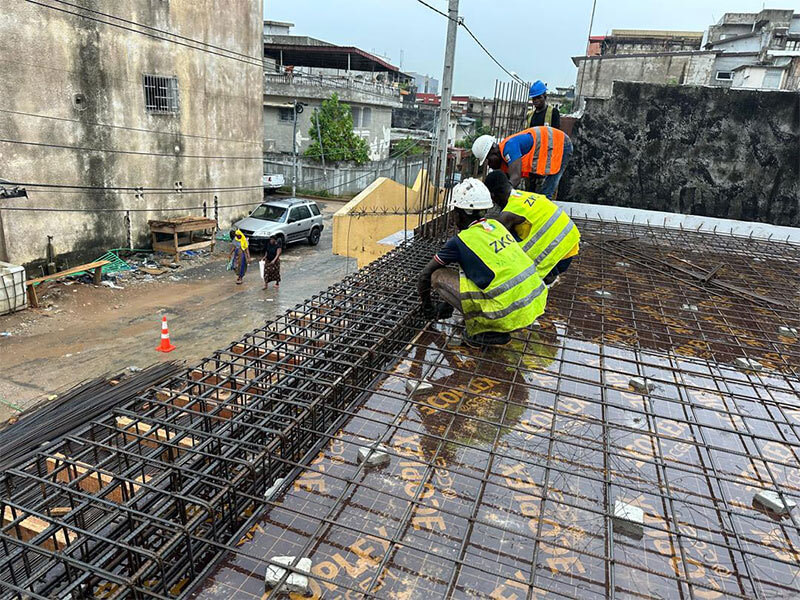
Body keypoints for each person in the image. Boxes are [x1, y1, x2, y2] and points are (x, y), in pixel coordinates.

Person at [417, 178, 548, 348]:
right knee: (471, 270)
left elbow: (425, 275)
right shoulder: (497, 226)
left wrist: (428, 308)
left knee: (438, 275)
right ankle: (494, 323)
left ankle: (488, 332)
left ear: (459, 213)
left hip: (507, 314)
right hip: (534, 303)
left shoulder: (460, 241)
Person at [484, 171, 580, 287]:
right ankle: (550, 274)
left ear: (493, 196)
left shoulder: (509, 213)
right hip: (571, 243)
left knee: (503, 243)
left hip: (559, 257)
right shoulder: (526, 195)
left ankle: (548, 277)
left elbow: (488, 238)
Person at [471, 127, 572, 199]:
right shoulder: (503, 162)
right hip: (550, 148)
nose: (489, 165)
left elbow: (515, 178)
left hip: (561, 143)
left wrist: (502, 194)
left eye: (488, 160)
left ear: (494, 151)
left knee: (546, 192)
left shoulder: (509, 147)